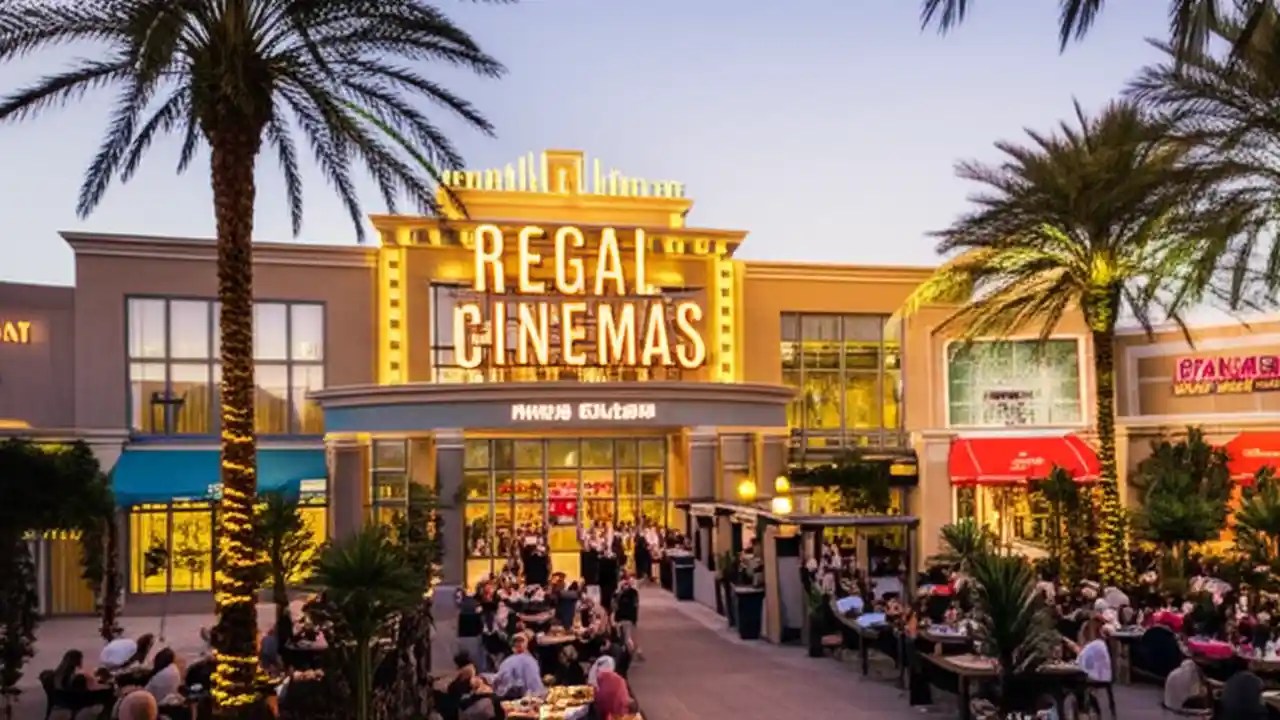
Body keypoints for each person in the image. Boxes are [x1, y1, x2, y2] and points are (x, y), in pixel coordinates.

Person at [492, 634, 544, 700]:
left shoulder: (530, 660)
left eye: (521, 641)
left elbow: (534, 682)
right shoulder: (508, 661)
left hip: (527, 697)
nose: (518, 644)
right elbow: (500, 679)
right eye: (516, 642)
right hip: (510, 697)